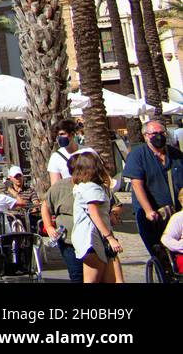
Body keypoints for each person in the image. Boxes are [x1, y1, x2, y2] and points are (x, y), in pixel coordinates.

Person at [122, 118, 183, 253]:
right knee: (160, 254)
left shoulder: (176, 155)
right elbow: (137, 185)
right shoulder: (137, 155)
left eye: (162, 133)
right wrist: (148, 210)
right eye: (154, 133)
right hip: (152, 216)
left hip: (176, 215)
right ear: (146, 136)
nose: (159, 136)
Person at [70, 150, 122, 283]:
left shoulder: (84, 187)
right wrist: (110, 238)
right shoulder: (91, 188)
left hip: (92, 239)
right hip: (92, 240)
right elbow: (94, 213)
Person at [40, 155, 82, 282]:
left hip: (93, 239)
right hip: (68, 239)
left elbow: (114, 205)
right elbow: (45, 206)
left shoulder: (94, 184)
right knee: (77, 275)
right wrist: (48, 227)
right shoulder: (60, 187)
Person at [47, 119, 78, 187]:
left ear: (72, 134)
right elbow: (56, 186)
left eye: (62, 134)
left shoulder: (87, 151)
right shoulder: (55, 157)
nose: (59, 138)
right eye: (57, 135)